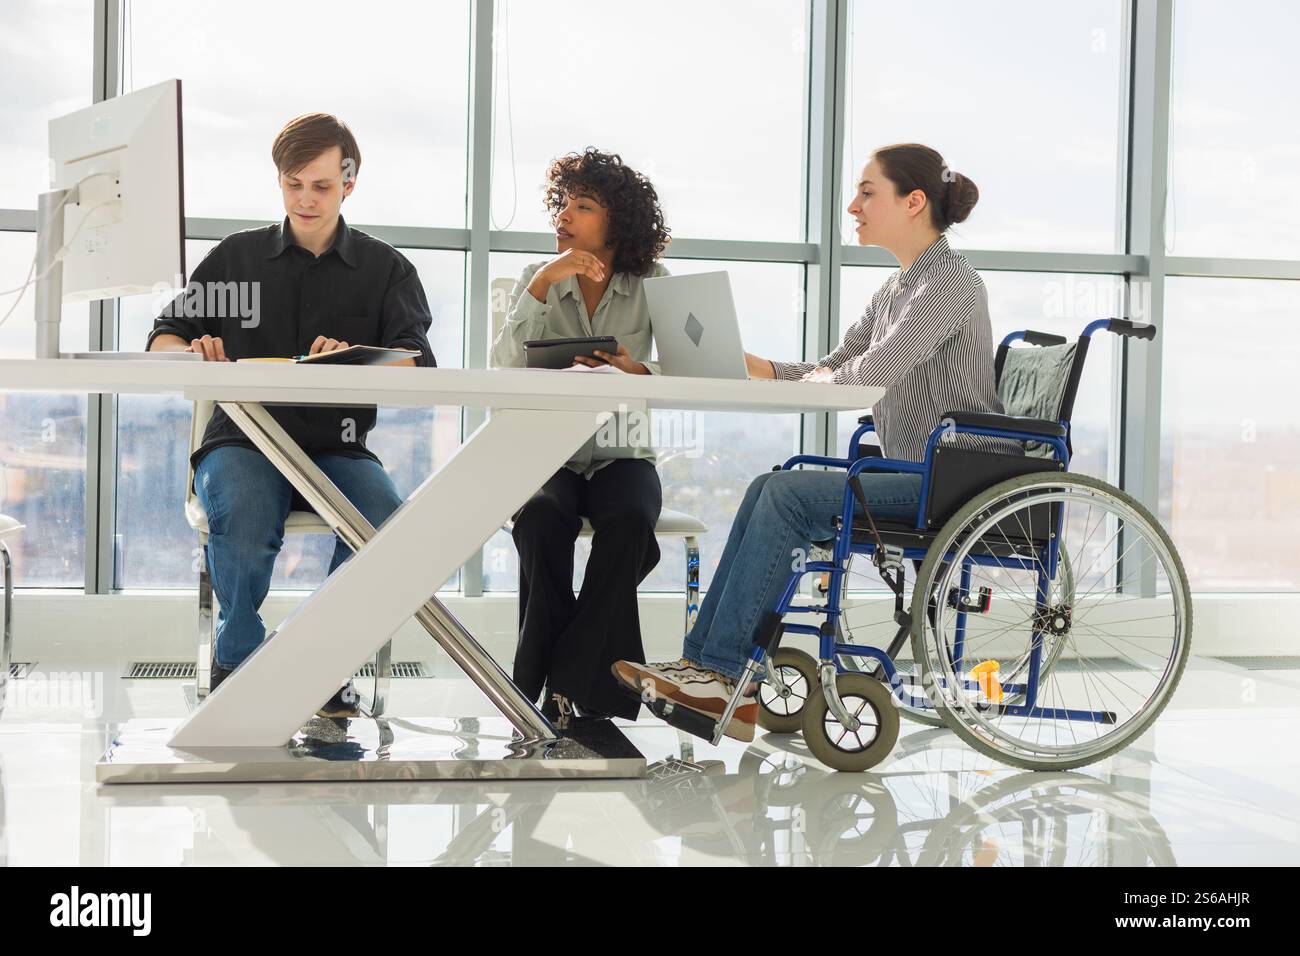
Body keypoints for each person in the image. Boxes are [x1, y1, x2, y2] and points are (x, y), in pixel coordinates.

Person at [614, 142, 1018, 742]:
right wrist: (732, 361)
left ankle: (722, 673)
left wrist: (815, 377)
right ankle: (710, 668)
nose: (852, 205)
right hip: (916, 473)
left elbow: (869, 376)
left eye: (866, 192)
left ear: (913, 202)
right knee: (767, 487)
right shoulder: (896, 290)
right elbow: (833, 366)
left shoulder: (952, 286)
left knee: (786, 497)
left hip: (950, 484)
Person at [148, 113, 435, 716]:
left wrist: (358, 363)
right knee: (247, 521)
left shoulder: (388, 271)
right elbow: (163, 338)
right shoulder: (236, 258)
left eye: (322, 186)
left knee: (384, 527)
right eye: (293, 183)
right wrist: (195, 351)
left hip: (338, 445)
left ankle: (317, 659)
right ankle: (242, 662)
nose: (305, 199)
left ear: (349, 184)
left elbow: (416, 366)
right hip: (244, 441)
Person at [490, 148, 671, 723]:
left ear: (618, 222)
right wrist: (543, 284)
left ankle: (550, 681)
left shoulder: (654, 284)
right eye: (562, 204)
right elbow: (502, 367)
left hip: (624, 451)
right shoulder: (535, 279)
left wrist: (636, 371)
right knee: (541, 520)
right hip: (551, 453)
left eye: (584, 206)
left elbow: (690, 367)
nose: (564, 216)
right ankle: (577, 684)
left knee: (630, 523)